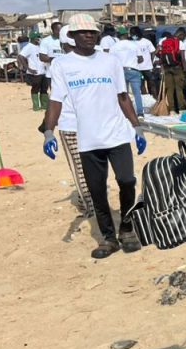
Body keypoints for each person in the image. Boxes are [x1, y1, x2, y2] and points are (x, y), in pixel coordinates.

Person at [42, 14, 147, 258]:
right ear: (73, 36)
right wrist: (49, 131)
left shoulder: (110, 61)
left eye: (92, 32)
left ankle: (127, 228)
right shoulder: (62, 65)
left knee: (127, 181)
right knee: (97, 190)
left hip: (117, 135)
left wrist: (137, 126)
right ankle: (109, 239)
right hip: (88, 139)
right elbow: (56, 100)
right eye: (83, 32)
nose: (89, 35)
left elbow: (123, 96)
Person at [42, 25, 94, 217]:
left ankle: (90, 208)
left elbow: (55, 99)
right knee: (94, 166)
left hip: (70, 124)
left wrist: (49, 131)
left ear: (65, 43)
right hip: (94, 123)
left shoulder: (60, 64)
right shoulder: (95, 61)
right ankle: (86, 202)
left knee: (79, 169)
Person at [111, 26, 145, 115]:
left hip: (120, 72)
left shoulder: (114, 46)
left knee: (123, 94)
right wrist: (133, 61)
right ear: (126, 34)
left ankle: (125, 113)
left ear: (118, 35)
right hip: (134, 70)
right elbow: (141, 59)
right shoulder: (134, 45)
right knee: (137, 93)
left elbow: (111, 60)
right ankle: (140, 113)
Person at [158, 29, 186, 112]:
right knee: (179, 89)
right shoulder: (180, 43)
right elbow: (183, 59)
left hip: (166, 67)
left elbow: (158, 53)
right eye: (183, 36)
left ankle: (171, 109)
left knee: (169, 89)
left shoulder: (163, 41)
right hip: (177, 68)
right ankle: (181, 109)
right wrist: (185, 70)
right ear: (181, 34)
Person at [18, 33, 46, 112]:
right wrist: (28, 68)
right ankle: (36, 106)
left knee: (44, 89)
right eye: (37, 37)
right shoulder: (29, 47)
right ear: (33, 38)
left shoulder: (40, 46)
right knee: (35, 89)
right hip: (35, 72)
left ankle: (44, 105)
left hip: (43, 71)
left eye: (39, 37)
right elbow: (21, 56)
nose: (39, 38)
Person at [131, 26, 156, 101]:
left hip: (147, 67)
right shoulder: (131, 42)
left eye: (133, 34)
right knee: (141, 85)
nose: (132, 35)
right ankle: (146, 99)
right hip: (137, 68)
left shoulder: (146, 41)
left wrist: (152, 62)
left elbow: (153, 52)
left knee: (151, 83)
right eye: (131, 34)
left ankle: (154, 98)